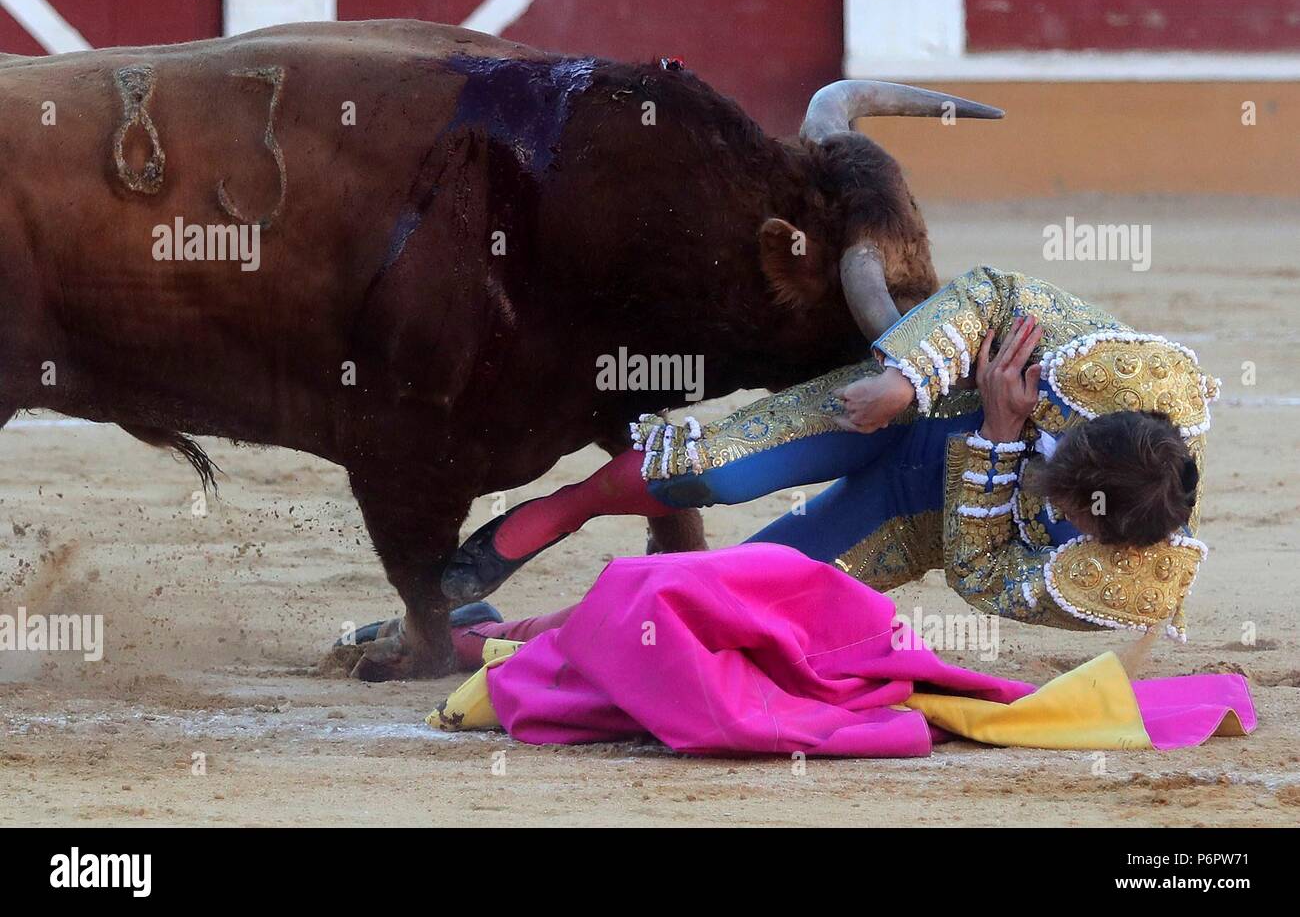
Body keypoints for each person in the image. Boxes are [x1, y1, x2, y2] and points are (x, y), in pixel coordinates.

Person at [442, 266, 1217, 667]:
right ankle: (570, 505)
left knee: (713, 606)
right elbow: (997, 293)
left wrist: (1000, 435)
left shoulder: (1124, 584)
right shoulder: (1129, 377)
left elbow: (983, 576)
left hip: (916, 524)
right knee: (705, 472)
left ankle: (508, 638)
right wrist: (902, 379)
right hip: (912, 413)